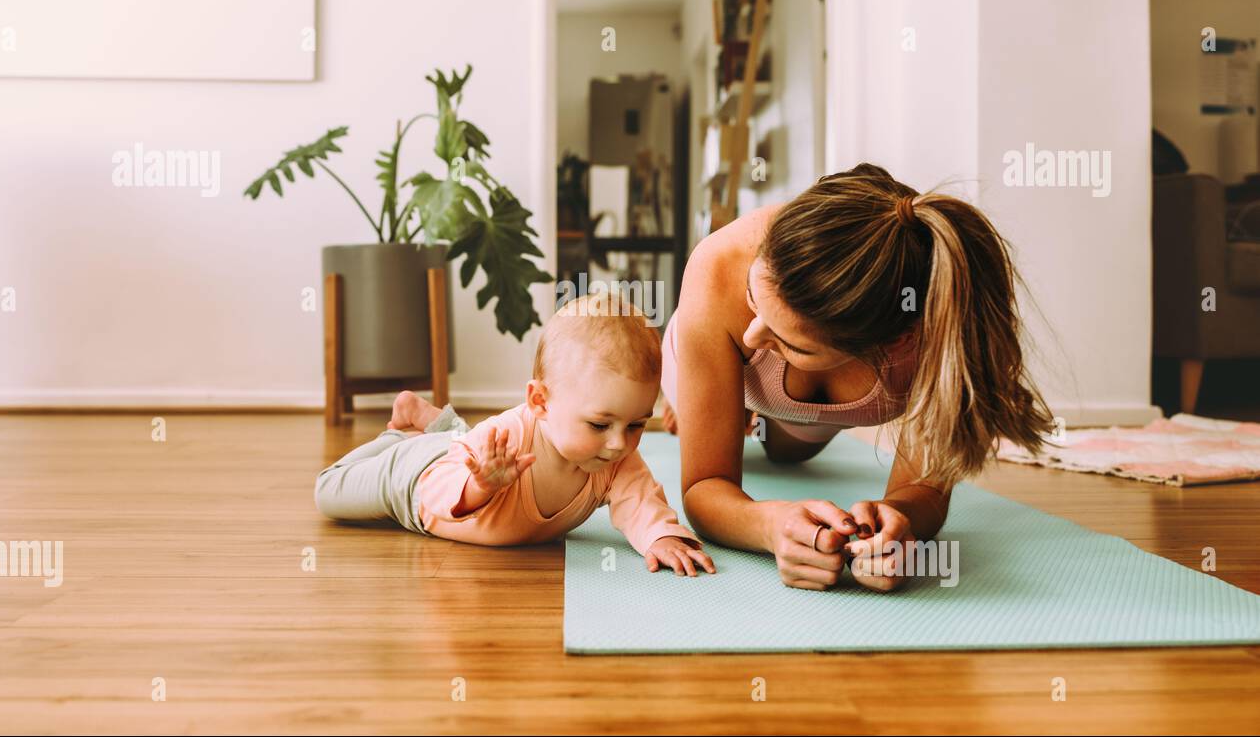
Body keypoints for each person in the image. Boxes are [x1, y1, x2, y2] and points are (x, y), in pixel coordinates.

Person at [659, 163, 1055, 592]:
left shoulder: (936, 331)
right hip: (695, 358)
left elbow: (923, 491)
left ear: (898, 343)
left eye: (795, 344)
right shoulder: (719, 264)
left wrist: (897, 525)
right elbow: (704, 486)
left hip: (813, 411)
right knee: (724, 425)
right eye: (753, 300)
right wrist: (771, 527)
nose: (753, 336)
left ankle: (770, 421)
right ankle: (714, 411)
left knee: (788, 455)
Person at [316, 292, 717, 577]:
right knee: (328, 493)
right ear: (540, 402)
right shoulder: (508, 436)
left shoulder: (612, 457)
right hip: (414, 480)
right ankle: (400, 440)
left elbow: (641, 502)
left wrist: (661, 537)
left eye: (636, 425)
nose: (619, 443)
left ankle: (435, 422)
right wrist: (480, 488)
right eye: (600, 424)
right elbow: (440, 494)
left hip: (469, 453)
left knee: (470, 446)